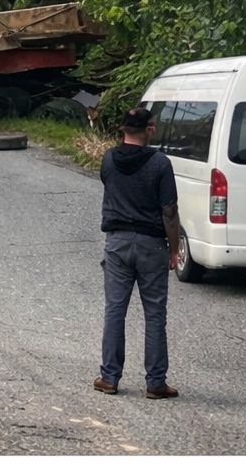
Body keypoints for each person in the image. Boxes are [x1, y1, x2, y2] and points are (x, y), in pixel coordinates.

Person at [95, 105, 181, 401]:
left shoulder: (108, 158)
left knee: (114, 311)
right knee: (155, 314)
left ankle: (109, 378)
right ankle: (155, 382)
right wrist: (174, 250)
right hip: (151, 245)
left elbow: (111, 187)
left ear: (122, 130)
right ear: (150, 129)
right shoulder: (160, 163)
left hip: (117, 243)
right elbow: (169, 211)